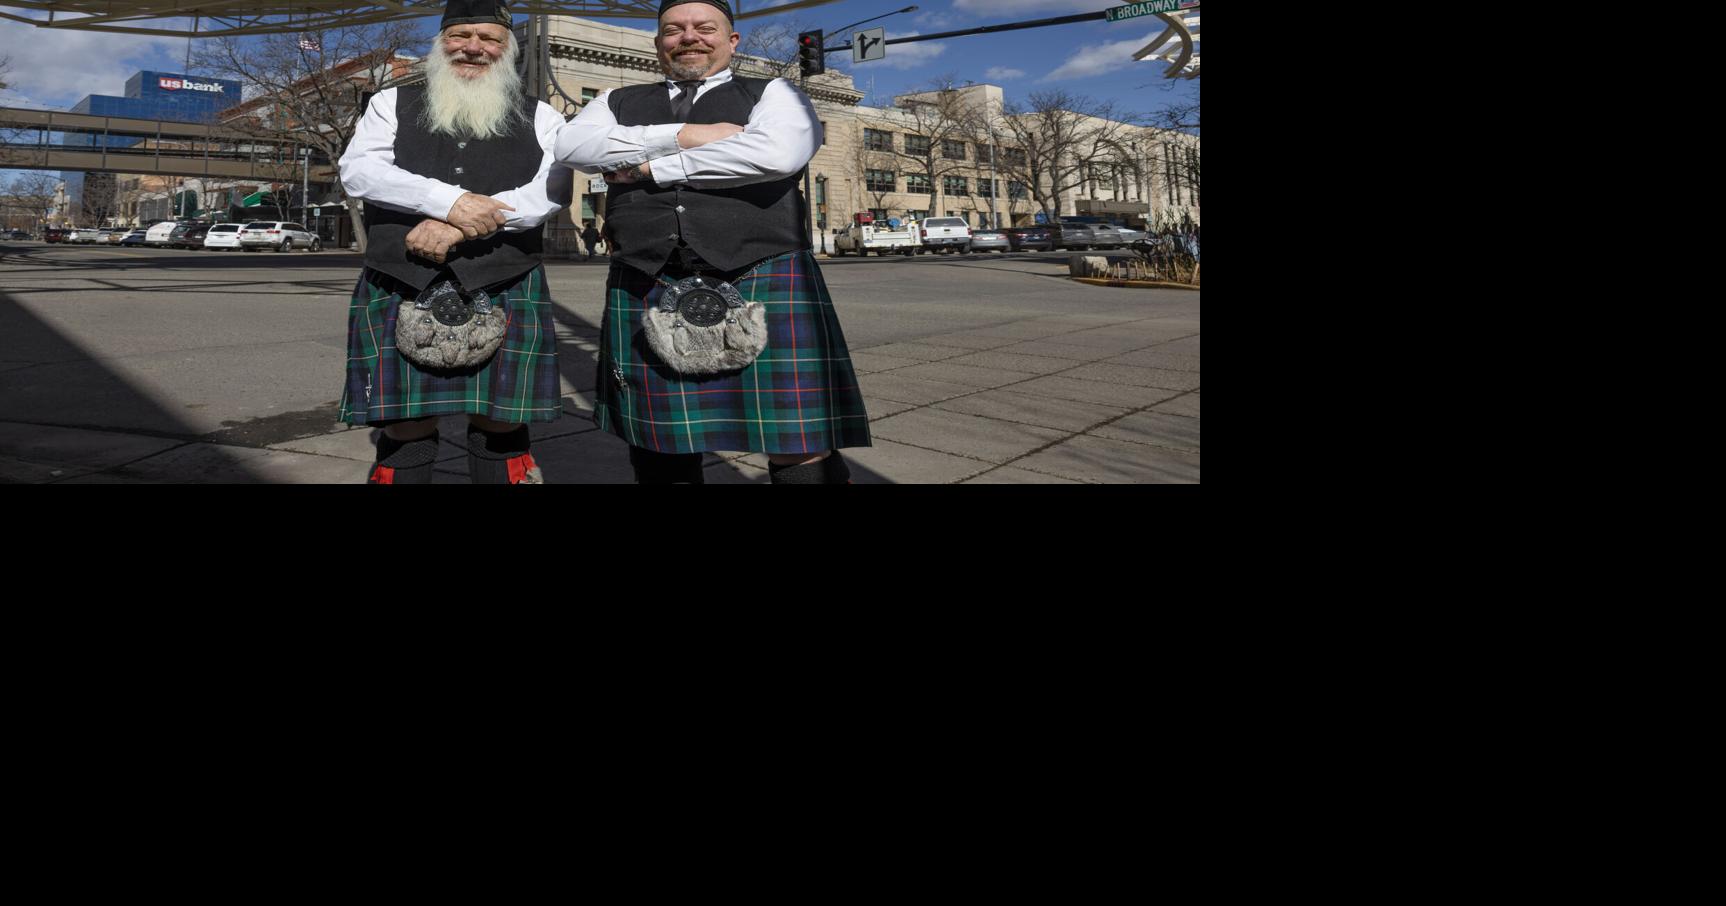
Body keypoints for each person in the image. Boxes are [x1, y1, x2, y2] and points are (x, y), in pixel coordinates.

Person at [555, 0, 869, 484]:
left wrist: (647, 166)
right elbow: (574, 148)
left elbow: (777, 153)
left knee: (798, 444)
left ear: (731, 40)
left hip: (763, 272)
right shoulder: (614, 101)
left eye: (705, 27)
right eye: (674, 29)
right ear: (659, 41)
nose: (689, 37)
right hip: (647, 277)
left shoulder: (775, 92)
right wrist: (687, 135)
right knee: (659, 442)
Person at [337, 0, 572, 484]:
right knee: (404, 423)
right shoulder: (390, 102)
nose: (473, 48)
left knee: (501, 421)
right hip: (401, 277)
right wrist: (447, 202)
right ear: (440, 41)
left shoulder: (542, 115)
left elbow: (551, 190)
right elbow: (359, 171)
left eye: (489, 38)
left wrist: (459, 223)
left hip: (505, 276)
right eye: (460, 35)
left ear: (507, 49)